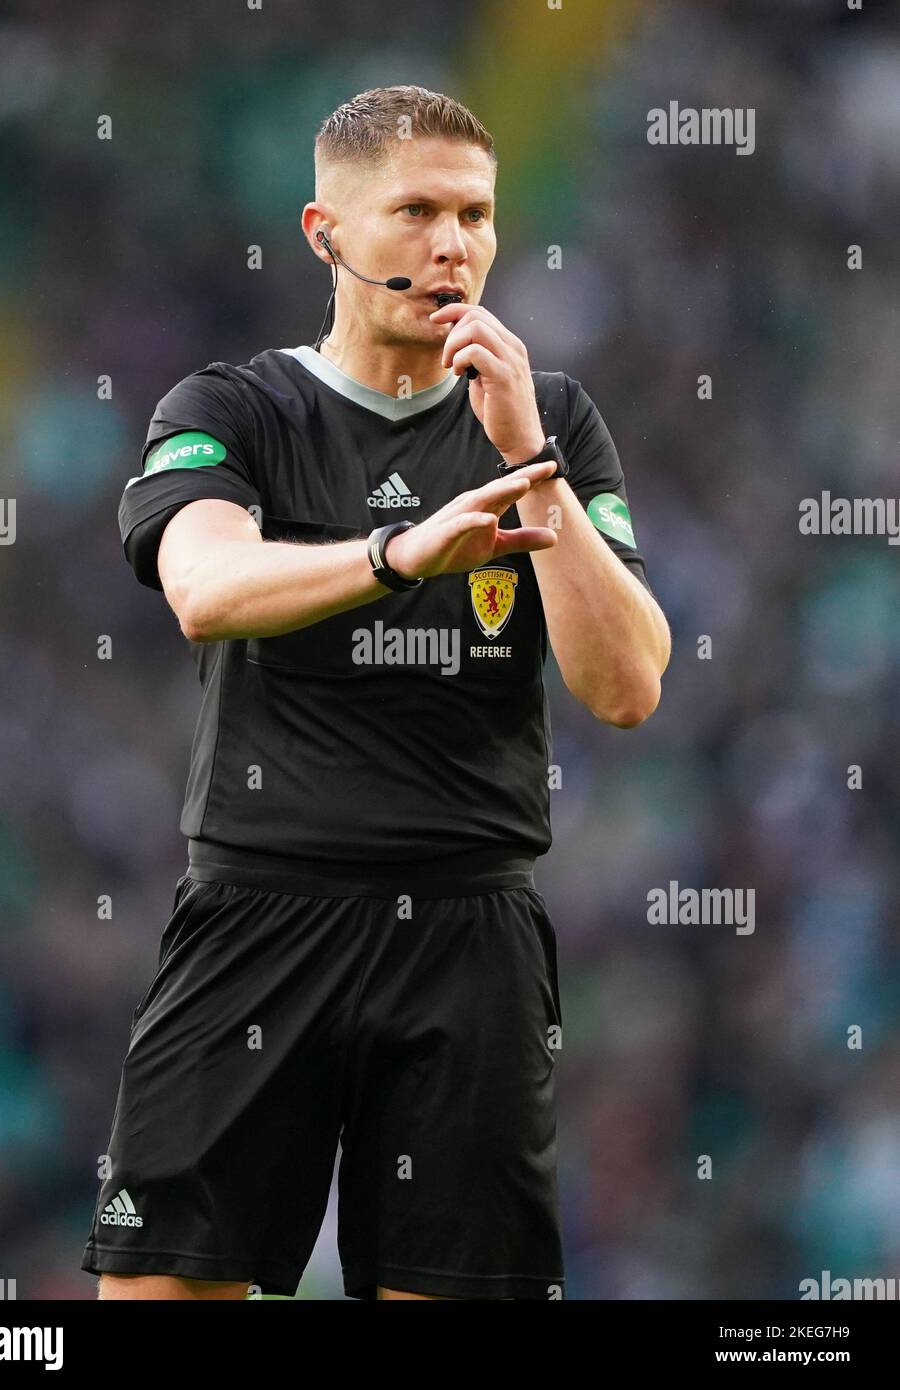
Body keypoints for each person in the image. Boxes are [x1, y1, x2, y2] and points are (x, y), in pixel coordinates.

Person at [81, 84, 671, 1301]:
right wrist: (393, 556)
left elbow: (626, 687)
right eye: (414, 211)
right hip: (260, 916)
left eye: (475, 215)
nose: (453, 245)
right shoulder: (230, 407)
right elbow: (202, 585)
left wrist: (532, 473)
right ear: (325, 232)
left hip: (470, 937)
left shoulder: (552, 421)